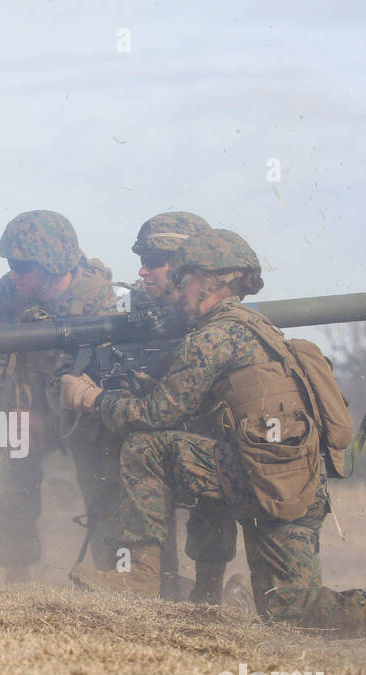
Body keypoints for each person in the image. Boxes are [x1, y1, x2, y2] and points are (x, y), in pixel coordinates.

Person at [59, 229, 366, 647]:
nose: (178, 288)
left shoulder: (211, 337)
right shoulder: (259, 330)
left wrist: (92, 397)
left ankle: (137, 578)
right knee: (290, 609)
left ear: (211, 281)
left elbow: (154, 416)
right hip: (296, 483)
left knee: (146, 448)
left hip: (256, 477)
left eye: (185, 278)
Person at [0, 210, 119, 581]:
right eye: (10, 264)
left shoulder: (97, 296)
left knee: (102, 483)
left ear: (53, 265)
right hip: (31, 401)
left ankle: (110, 573)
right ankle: (15, 573)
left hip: (85, 404)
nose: (13, 273)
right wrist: (7, 413)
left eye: (22, 265)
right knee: (15, 477)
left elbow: (115, 366)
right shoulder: (7, 292)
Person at [124, 212, 241, 604]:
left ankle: (207, 593)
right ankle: (157, 583)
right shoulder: (138, 317)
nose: (143, 271)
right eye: (142, 260)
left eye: (155, 261)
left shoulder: (217, 322)